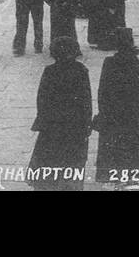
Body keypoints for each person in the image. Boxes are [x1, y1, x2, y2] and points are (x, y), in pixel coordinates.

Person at [27, 36, 92, 190]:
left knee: (49, 159)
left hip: (52, 125)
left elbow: (41, 99)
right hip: (74, 125)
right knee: (72, 161)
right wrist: (87, 122)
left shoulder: (50, 71)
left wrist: (42, 119)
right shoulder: (81, 71)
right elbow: (86, 100)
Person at [93, 27, 139, 185]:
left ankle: (112, 176)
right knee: (132, 143)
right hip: (132, 112)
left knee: (112, 143)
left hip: (112, 111)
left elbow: (102, 90)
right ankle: (132, 175)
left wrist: (102, 110)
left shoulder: (109, 63)